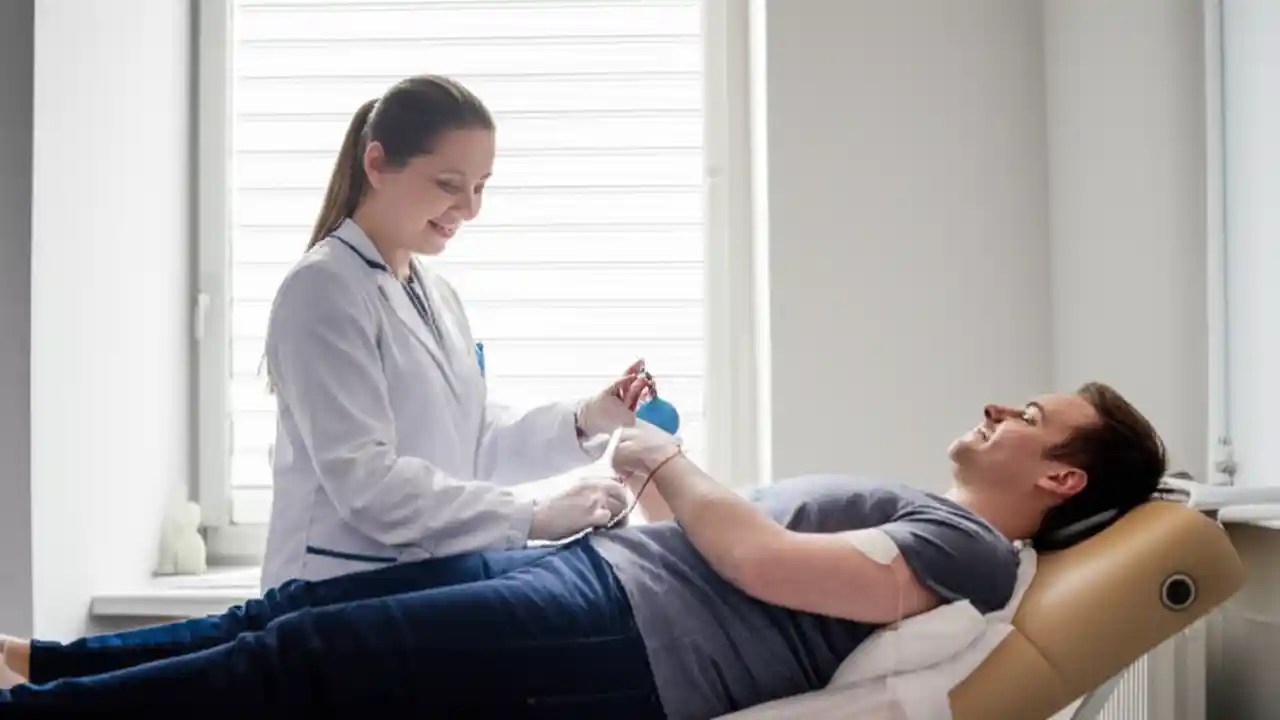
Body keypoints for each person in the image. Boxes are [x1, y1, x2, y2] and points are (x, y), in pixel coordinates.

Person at [0, 382, 1168, 717]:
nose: (999, 407)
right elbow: (730, 554)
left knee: (303, 668)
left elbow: (762, 566)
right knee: (294, 616)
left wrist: (666, 468)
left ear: (1059, 478)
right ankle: (46, 662)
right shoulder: (939, 516)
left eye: (1032, 417)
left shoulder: (967, 553)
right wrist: (646, 481)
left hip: (622, 640)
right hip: (605, 583)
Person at [256, 74, 656, 590]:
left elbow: (468, 440)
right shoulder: (323, 288)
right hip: (337, 593)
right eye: (449, 185)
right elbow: (366, 483)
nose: (470, 209)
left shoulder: (436, 293)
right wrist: (533, 514)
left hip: (424, 587)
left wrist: (585, 419)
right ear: (376, 164)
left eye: (481, 186)